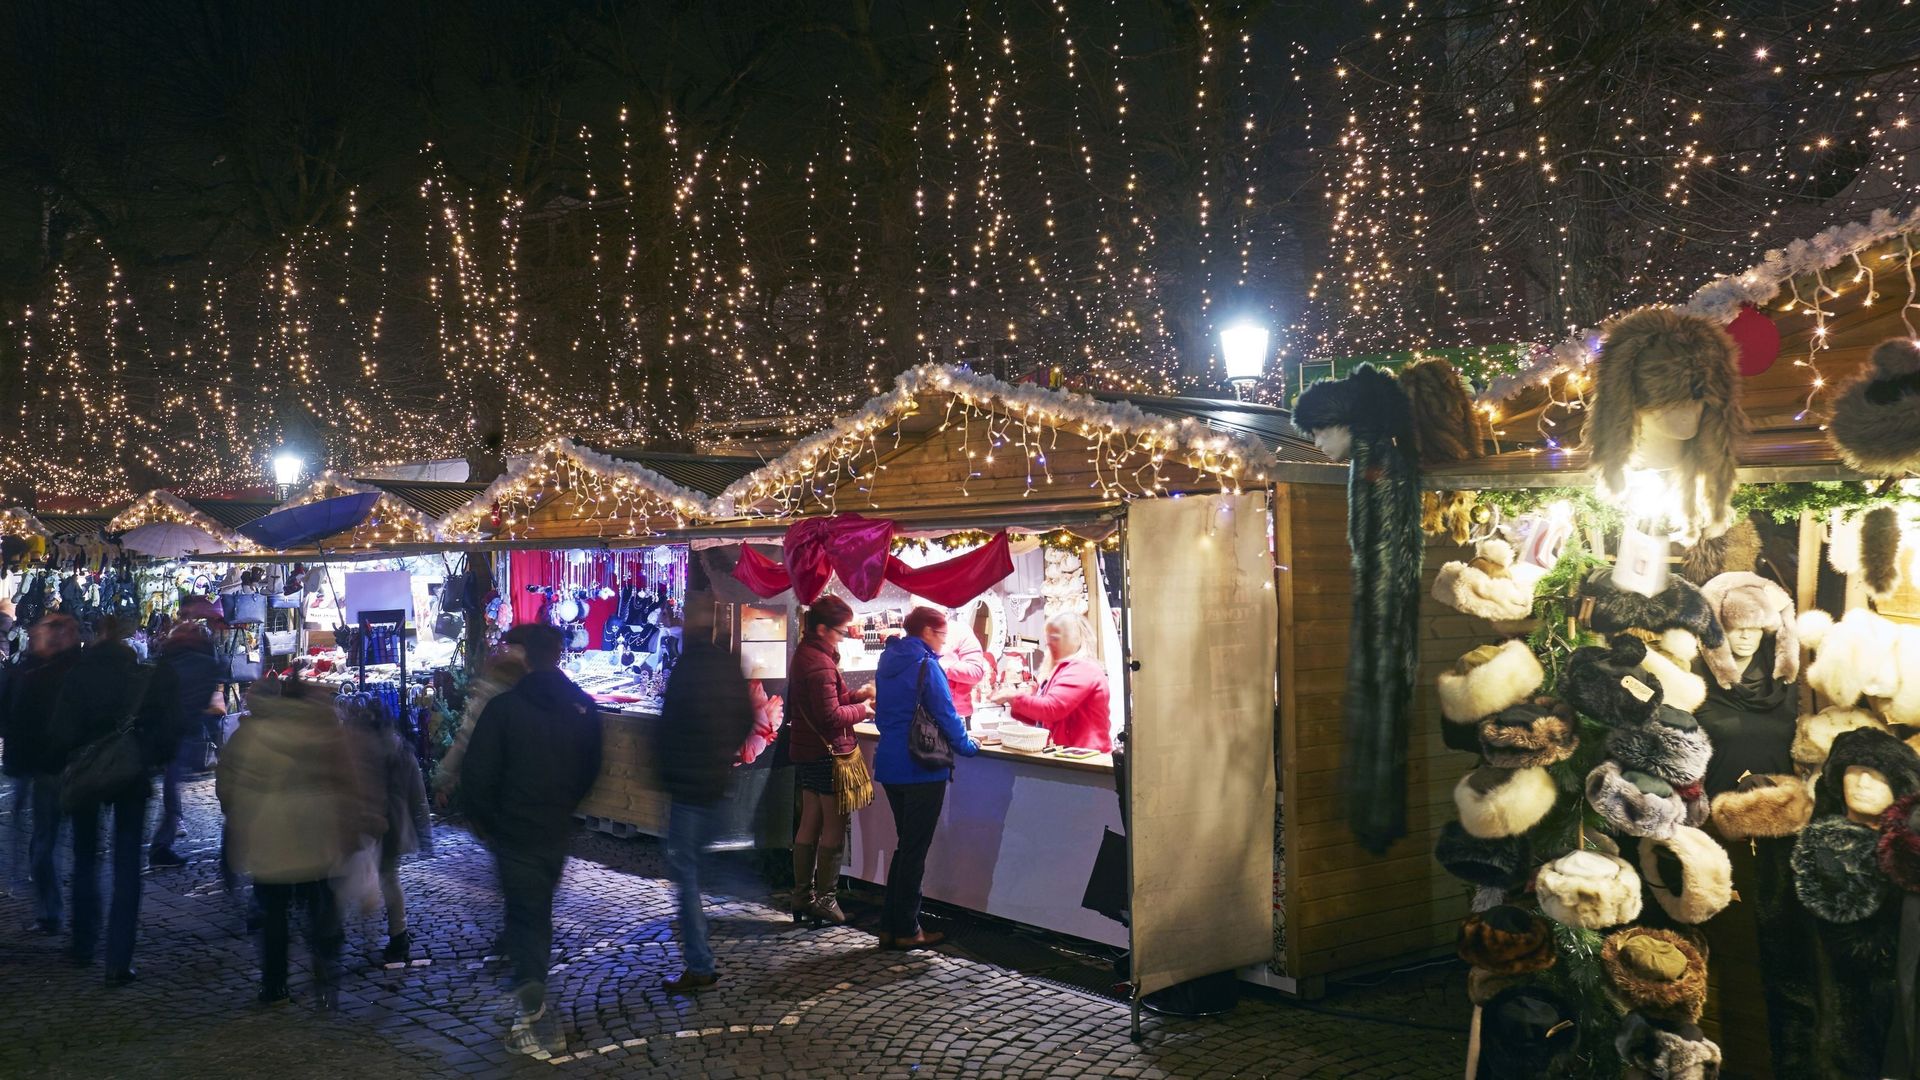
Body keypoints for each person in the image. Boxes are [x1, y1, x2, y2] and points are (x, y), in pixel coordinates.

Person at [461, 623, 604, 1055]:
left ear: (526, 658)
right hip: (553, 825)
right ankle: (530, 986)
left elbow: (478, 773)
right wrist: (565, 804)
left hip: (515, 825)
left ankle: (531, 1003)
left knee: (528, 914)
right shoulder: (582, 707)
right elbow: (590, 767)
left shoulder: (505, 709)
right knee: (534, 909)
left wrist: (487, 822)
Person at [218, 674, 374, 1006]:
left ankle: (274, 984)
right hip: (316, 833)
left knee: (273, 913)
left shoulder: (255, 733)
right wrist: (351, 828)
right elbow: (347, 781)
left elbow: (233, 784)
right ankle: (325, 968)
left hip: (270, 832)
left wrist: (239, 824)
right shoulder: (325, 731)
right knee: (320, 905)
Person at [57, 616, 182, 984]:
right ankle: (118, 960)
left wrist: (72, 758)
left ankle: (83, 943)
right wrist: (147, 758)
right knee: (127, 866)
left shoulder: (79, 674)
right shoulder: (146, 676)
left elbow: (60, 730)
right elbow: (172, 728)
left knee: (84, 857)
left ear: (97, 636)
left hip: (88, 774)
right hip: (130, 774)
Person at [655, 602, 755, 992]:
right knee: (700, 863)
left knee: (687, 872)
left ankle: (699, 963)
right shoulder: (728, 665)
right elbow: (747, 716)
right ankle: (744, 885)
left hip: (688, 786)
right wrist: (724, 752)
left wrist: (666, 768)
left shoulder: (686, 669)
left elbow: (669, 725)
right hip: (715, 780)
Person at [872, 606, 980, 950]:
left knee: (906, 847)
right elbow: (946, 715)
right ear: (928, 632)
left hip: (890, 764)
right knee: (913, 850)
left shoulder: (887, 661)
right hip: (921, 766)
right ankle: (906, 929)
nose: (944, 643)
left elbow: (885, 715)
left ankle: (890, 927)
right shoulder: (926, 665)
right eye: (943, 635)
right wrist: (968, 746)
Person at [786, 595, 873, 926]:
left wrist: (857, 695)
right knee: (834, 827)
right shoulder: (821, 663)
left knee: (809, 821)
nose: (843, 636)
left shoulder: (805, 655)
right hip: (827, 754)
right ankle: (826, 899)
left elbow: (826, 703)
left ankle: (801, 896)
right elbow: (830, 715)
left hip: (808, 752)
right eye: (840, 630)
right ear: (822, 629)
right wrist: (863, 710)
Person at [4, 613, 81, 932]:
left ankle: (53, 912)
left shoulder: (61, 671)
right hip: (33, 764)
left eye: (42, 632)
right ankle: (49, 905)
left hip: (52, 766)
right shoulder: (31, 666)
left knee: (46, 841)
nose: (34, 634)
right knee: (39, 838)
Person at [345, 694, 433, 964]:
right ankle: (398, 934)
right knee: (389, 877)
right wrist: (424, 834)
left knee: (361, 874)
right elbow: (418, 796)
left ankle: (374, 931)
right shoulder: (401, 749)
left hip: (364, 821)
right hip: (394, 824)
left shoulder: (358, 749)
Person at [148, 623, 224, 867]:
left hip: (164, 729)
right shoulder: (207, 664)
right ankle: (162, 842)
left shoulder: (167, 659)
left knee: (171, 782)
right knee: (172, 783)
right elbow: (204, 701)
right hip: (183, 730)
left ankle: (164, 838)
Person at [991, 612, 1114, 753]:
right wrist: (1014, 703)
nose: (1050, 642)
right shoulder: (1064, 670)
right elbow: (1045, 720)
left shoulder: (1082, 668)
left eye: (1056, 637)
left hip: (1086, 758)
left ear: (1075, 638)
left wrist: (1013, 696)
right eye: (1049, 637)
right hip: (1073, 756)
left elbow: (1051, 709)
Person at [433, 643, 528, 812]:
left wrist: (444, 780)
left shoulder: (487, 697)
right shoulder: (529, 697)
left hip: (496, 789)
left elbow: (465, 740)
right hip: (524, 788)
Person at [939, 606, 992, 725]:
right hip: (920, 716)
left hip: (957, 714)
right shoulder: (910, 635)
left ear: (945, 613)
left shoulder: (959, 631)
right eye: (916, 610)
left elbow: (976, 671)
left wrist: (941, 667)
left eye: (926, 610)